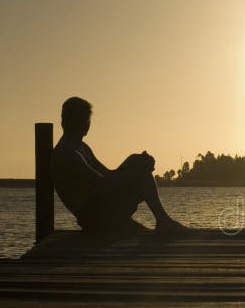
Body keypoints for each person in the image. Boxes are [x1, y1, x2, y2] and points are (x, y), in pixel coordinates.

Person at [51, 96, 188, 233]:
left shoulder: (81, 147)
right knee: (142, 176)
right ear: (83, 122)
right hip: (94, 217)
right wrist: (134, 168)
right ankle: (163, 220)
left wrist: (133, 161)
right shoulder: (68, 153)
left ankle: (162, 220)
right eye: (87, 119)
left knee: (144, 232)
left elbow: (108, 175)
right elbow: (104, 184)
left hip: (102, 208)